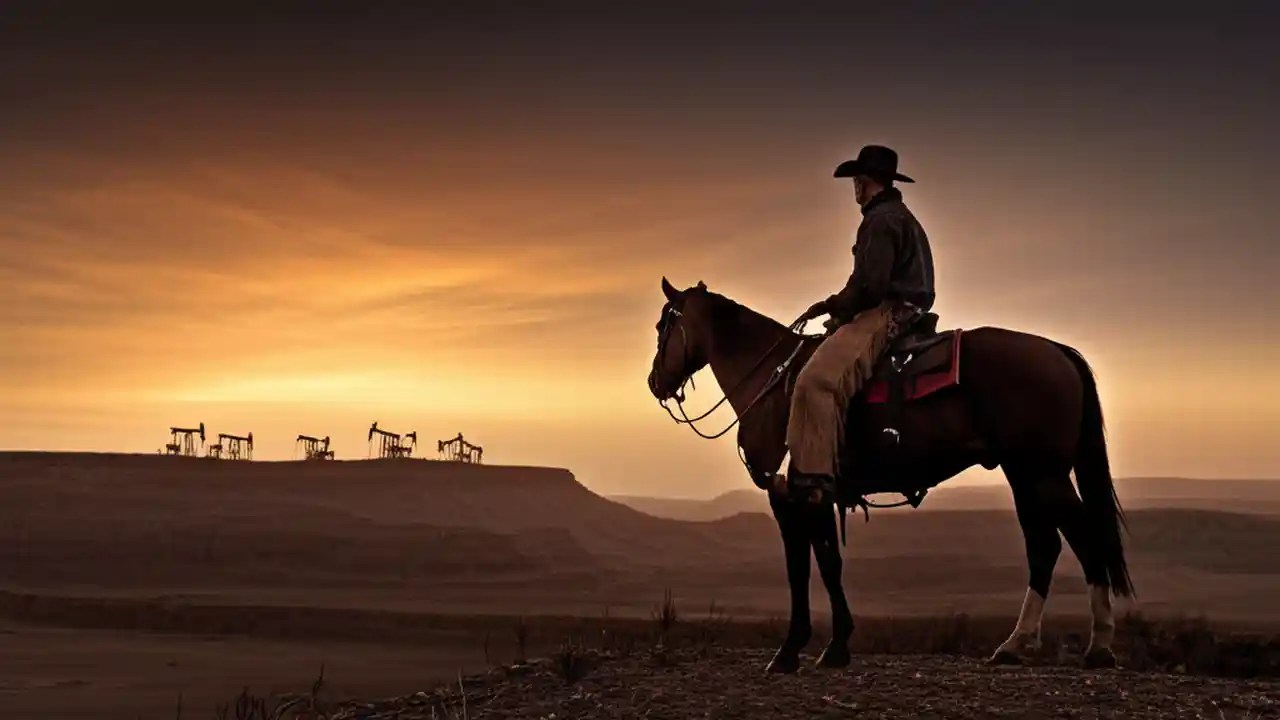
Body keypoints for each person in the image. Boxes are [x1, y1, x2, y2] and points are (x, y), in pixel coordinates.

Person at [783, 145, 936, 495]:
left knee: (816, 381)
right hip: (907, 306)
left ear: (865, 182)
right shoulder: (899, 215)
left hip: (890, 311)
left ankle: (815, 479)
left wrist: (832, 305)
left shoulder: (880, 220)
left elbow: (871, 287)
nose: (854, 186)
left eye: (856, 179)